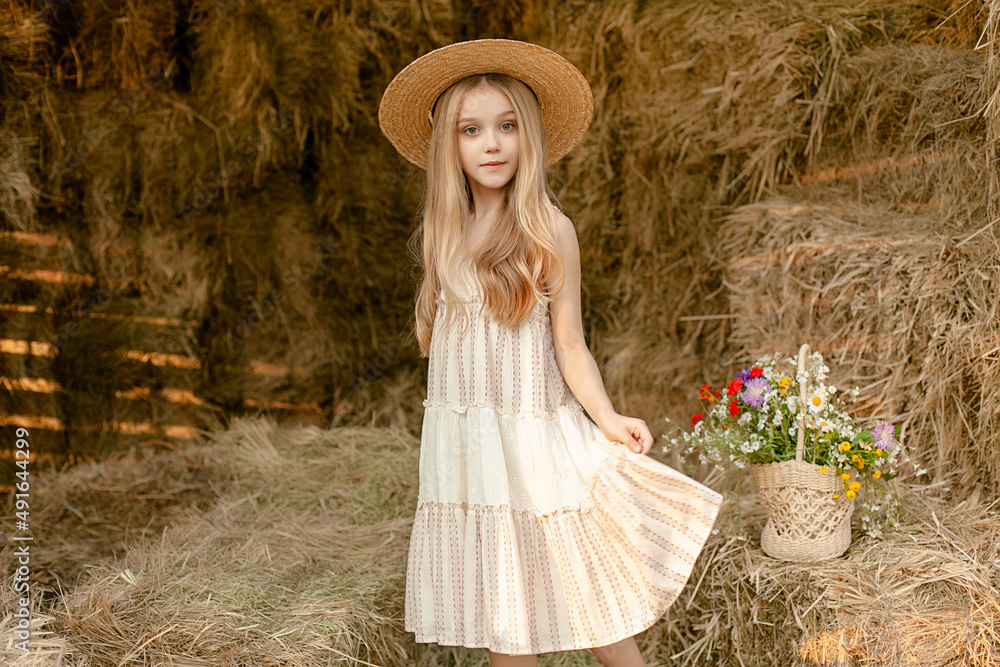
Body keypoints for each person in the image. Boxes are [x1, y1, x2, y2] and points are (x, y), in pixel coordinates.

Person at [378, 39, 723, 667]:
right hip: (473, 453)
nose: (491, 144)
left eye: (507, 127)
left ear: (528, 137)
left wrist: (607, 417)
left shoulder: (546, 229)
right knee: (505, 615)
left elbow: (569, 342)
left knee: (590, 595)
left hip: (536, 442)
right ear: (448, 147)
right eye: (472, 130)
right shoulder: (442, 233)